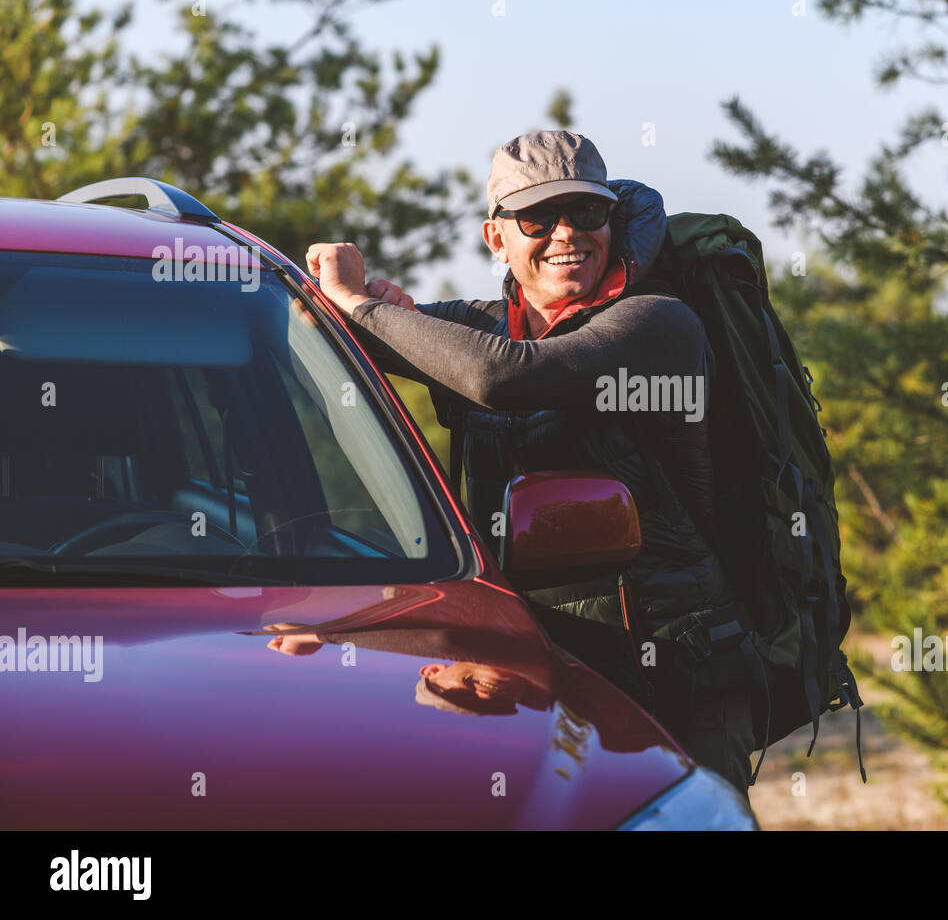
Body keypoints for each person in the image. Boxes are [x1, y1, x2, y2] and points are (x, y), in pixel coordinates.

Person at [305, 130, 756, 798]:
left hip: (676, 669)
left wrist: (362, 306)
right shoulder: (479, 324)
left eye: (588, 213)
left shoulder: (658, 324)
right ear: (497, 237)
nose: (567, 234)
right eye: (538, 218)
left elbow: (503, 378)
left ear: (615, 221)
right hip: (537, 659)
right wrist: (314, 623)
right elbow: (319, 335)